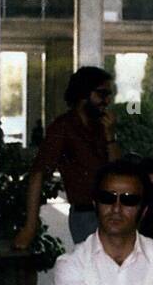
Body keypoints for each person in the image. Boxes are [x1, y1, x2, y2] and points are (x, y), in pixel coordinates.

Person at [14, 67, 121, 249]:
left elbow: (118, 172)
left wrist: (110, 135)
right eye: (102, 94)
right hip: (86, 214)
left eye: (109, 95)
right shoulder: (63, 127)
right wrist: (30, 226)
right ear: (83, 95)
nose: (107, 101)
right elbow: (38, 174)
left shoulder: (101, 126)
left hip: (111, 210)